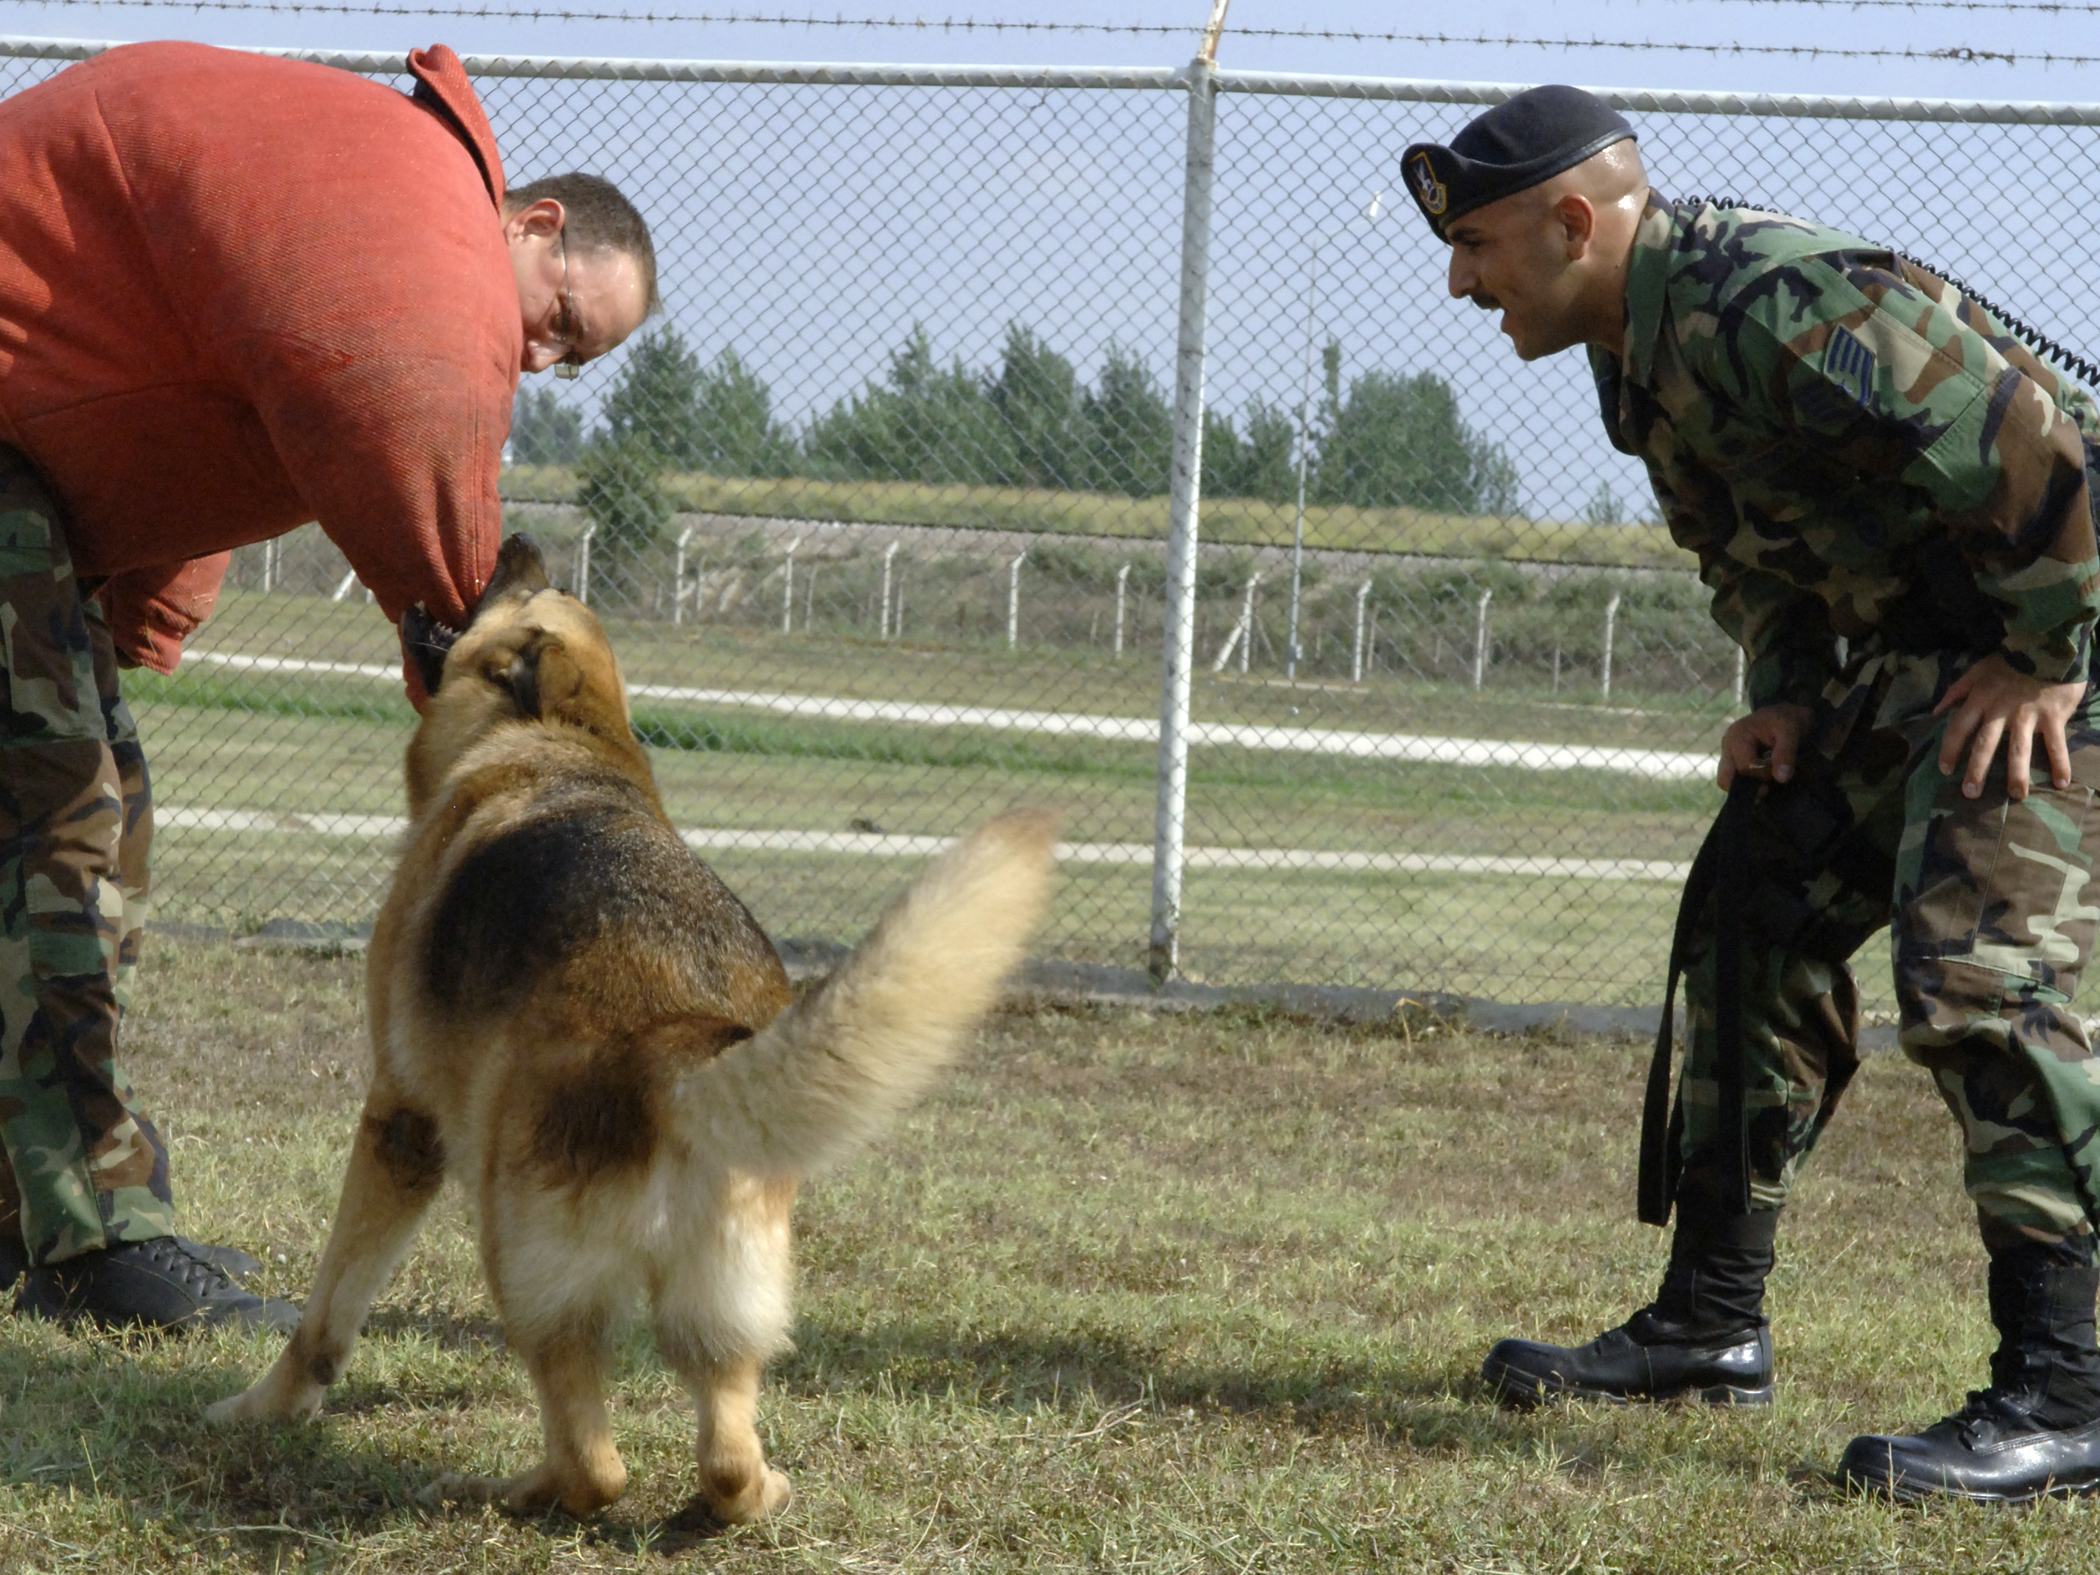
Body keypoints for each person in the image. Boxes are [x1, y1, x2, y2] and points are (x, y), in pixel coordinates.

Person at [1405, 85, 2100, 1502]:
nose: (1460, 281)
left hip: (2066, 624)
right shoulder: (1632, 353)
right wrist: (1786, 688)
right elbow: (1758, 550)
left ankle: (2073, 1394)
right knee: (1752, 905)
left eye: (1476, 244)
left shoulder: (1775, 301)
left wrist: (2044, 658)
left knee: (1983, 966)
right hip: (1939, 652)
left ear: (1572, 220)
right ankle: (1709, 1329)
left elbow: (2043, 445)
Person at [0, 41, 654, 1331]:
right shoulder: (416, 222)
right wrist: (480, 640)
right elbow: (397, 380)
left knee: (105, 809)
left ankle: (29, 1213)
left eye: (572, 364)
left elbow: (192, 360)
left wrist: (135, 606)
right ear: (533, 224)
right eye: (560, 320)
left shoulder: (377, 205)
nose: (537, 361)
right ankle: (91, 1239)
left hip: (31, 475)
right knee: (58, 822)